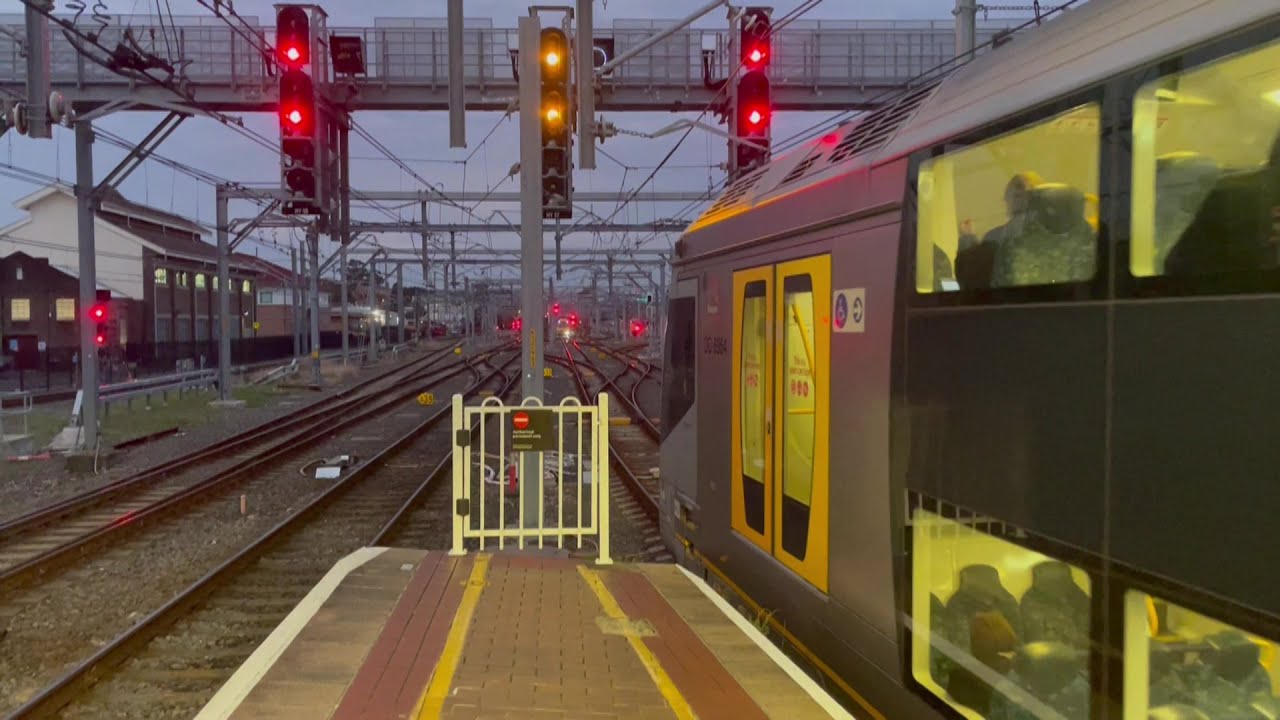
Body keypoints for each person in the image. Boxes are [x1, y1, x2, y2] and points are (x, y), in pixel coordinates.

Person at [955, 172, 1043, 289]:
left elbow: (971, 280)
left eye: (1020, 194)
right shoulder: (1056, 240)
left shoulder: (994, 238)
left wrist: (967, 240)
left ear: (1007, 199)